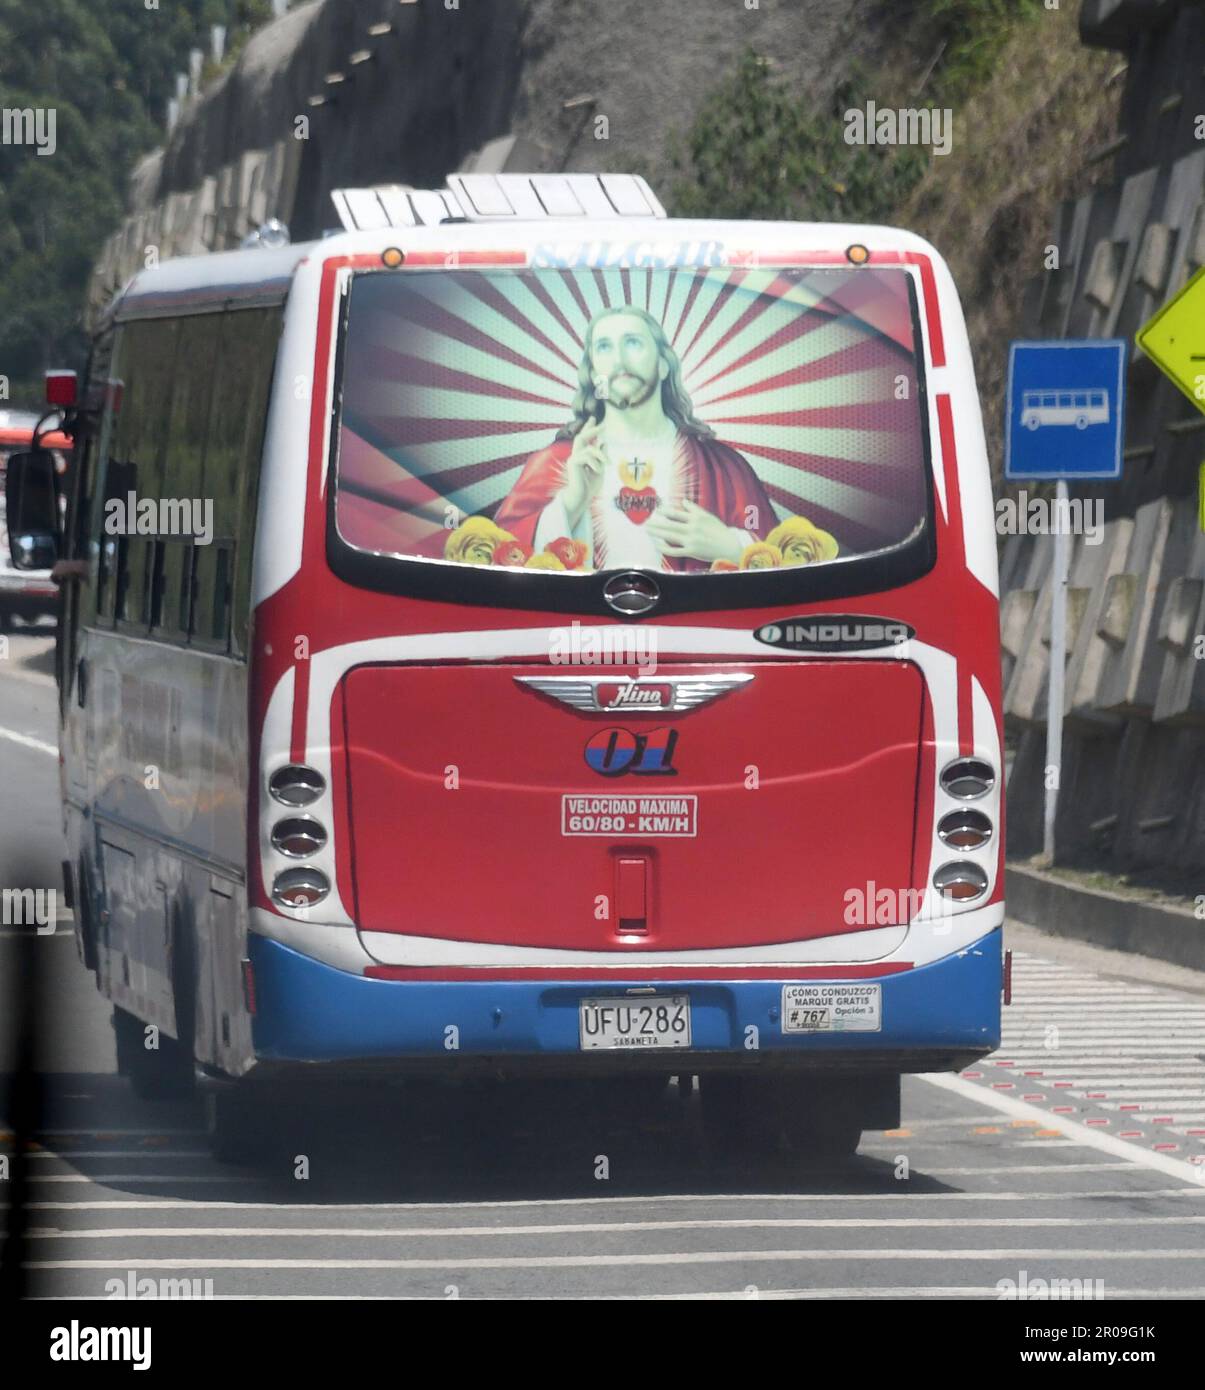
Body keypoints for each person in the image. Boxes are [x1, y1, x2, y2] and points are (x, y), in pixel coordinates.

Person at [492, 305, 777, 571]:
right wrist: (570, 504)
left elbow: (781, 558)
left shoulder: (724, 467)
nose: (619, 359)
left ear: (663, 365)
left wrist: (733, 547)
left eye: (633, 343)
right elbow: (500, 555)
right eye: (604, 347)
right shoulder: (554, 463)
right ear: (593, 375)